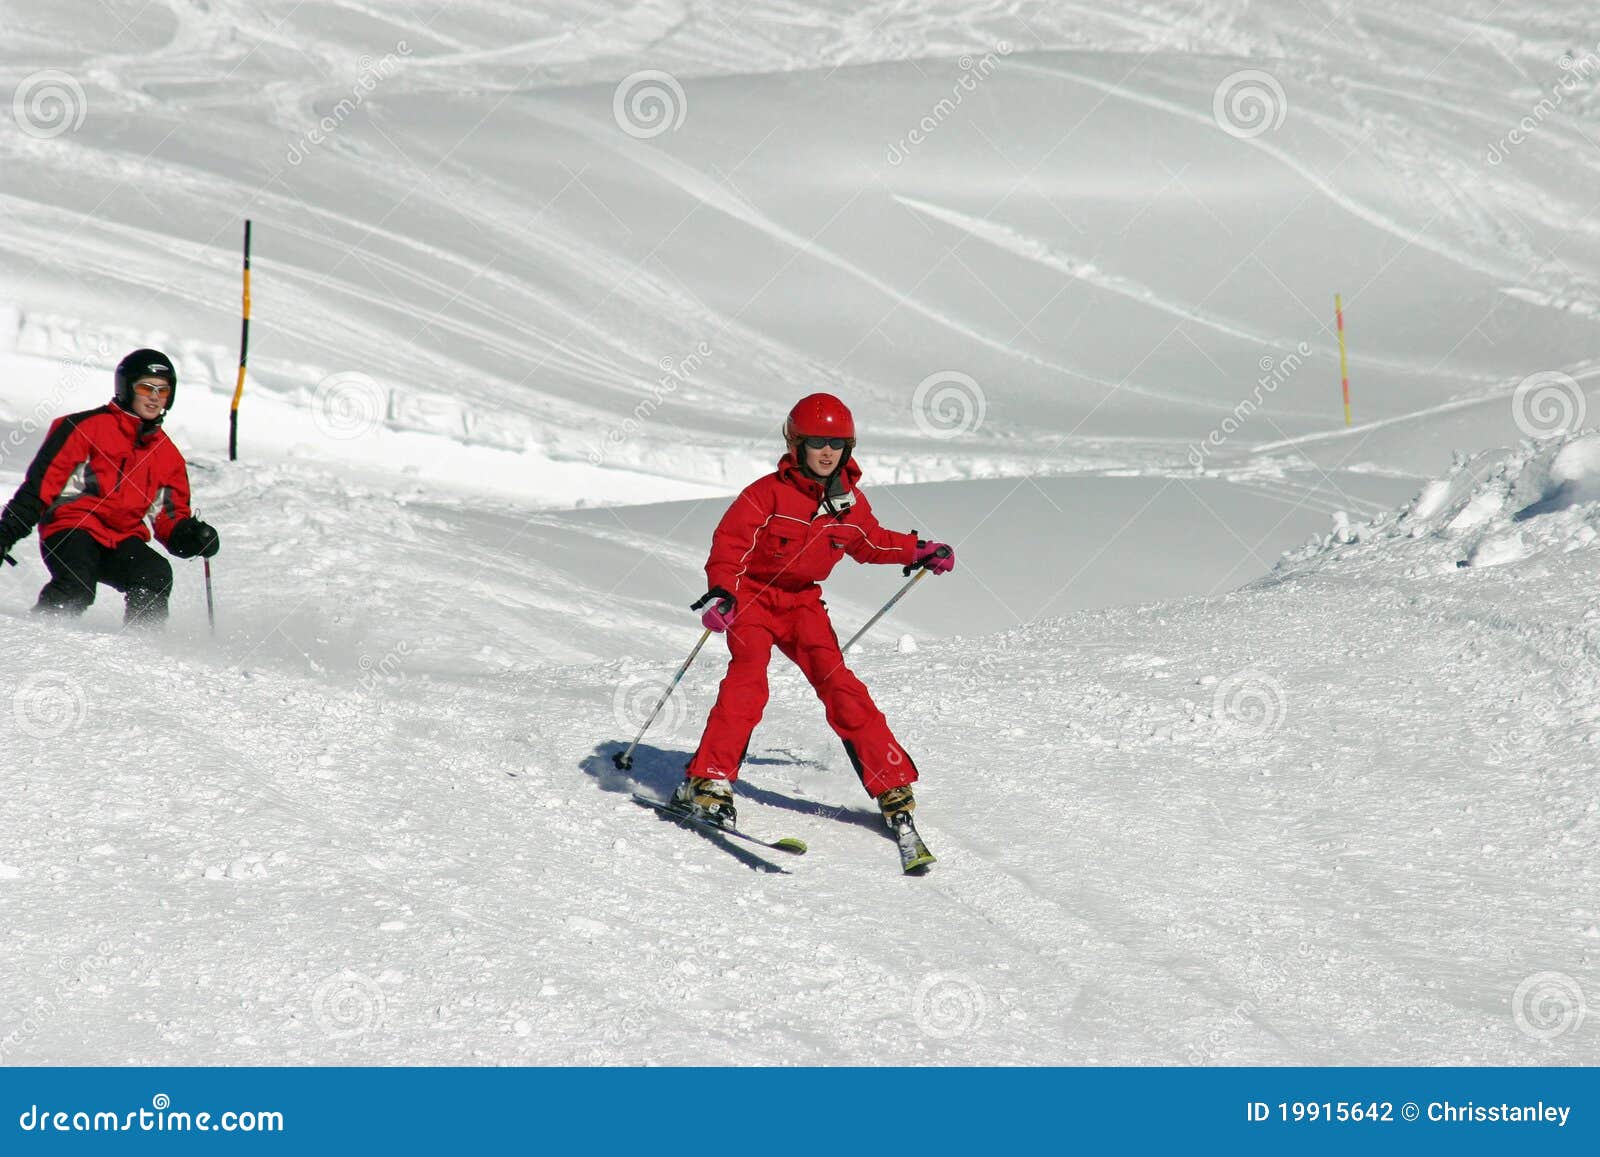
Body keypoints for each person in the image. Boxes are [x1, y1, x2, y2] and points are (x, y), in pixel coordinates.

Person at [677, 392, 954, 836]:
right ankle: (707, 780)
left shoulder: (848, 502)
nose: (828, 451)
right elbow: (730, 547)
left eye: (837, 443)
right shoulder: (765, 494)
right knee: (748, 678)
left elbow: (870, 542)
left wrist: (919, 550)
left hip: (802, 602)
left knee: (837, 680)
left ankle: (891, 784)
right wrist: (722, 595)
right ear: (796, 444)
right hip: (752, 598)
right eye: (817, 441)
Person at [0, 348, 220, 626]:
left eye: (162, 391)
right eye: (146, 387)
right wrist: (5, 533)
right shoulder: (84, 428)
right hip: (71, 529)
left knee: (154, 572)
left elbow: (169, 517)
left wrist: (191, 536)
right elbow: (41, 487)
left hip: (120, 538)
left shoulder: (167, 455)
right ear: (127, 388)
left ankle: (142, 648)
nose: (154, 396)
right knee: (78, 584)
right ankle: (41, 632)